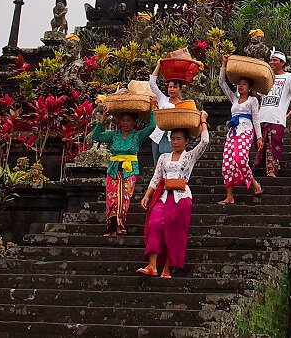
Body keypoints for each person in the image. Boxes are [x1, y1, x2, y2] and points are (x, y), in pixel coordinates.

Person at [137, 113, 209, 278]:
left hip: (181, 198)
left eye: (178, 139)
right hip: (163, 196)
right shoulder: (164, 157)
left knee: (174, 232)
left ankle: (167, 269)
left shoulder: (189, 156)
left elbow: (204, 141)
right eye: (173, 139)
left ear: (186, 141)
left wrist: (203, 120)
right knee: (155, 223)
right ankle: (152, 266)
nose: (175, 142)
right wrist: (147, 195)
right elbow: (156, 178)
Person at [90, 98, 157, 236]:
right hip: (114, 169)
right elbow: (96, 136)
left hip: (129, 169)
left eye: (128, 120)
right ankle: (111, 228)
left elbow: (151, 127)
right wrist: (103, 119)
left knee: (124, 198)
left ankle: (120, 225)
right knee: (112, 197)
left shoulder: (137, 136)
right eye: (123, 120)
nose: (125, 123)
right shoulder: (115, 135)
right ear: (119, 122)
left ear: (134, 122)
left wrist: (152, 108)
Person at [218, 57, 263, 204]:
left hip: (246, 130)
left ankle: (254, 182)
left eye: (244, 84)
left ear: (249, 87)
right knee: (227, 163)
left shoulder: (252, 100)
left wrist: (259, 137)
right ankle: (229, 196)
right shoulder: (234, 99)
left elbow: (256, 119)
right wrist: (224, 65)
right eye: (239, 84)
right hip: (233, 132)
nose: (240, 86)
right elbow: (222, 83)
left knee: (241, 159)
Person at [254, 50, 291, 177]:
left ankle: (272, 170)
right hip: (262, 116)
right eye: (270, 60)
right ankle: (264, 168)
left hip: (277, 118)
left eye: (274, 60)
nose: (271, 62)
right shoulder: (266, 78)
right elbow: (257, 95)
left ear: (282, 63)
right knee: (260, 146)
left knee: (274, 145)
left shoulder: (289, 77)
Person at [148, 59, 208, 166]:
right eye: (170, 87)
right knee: (157, 165)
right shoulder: (163, 99)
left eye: (175, 87)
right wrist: (158, 66)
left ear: (180, 89)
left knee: (168, 163)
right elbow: (152, 83)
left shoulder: (183, 105)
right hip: (157, 135)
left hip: (171, 137)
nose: (171, 89)